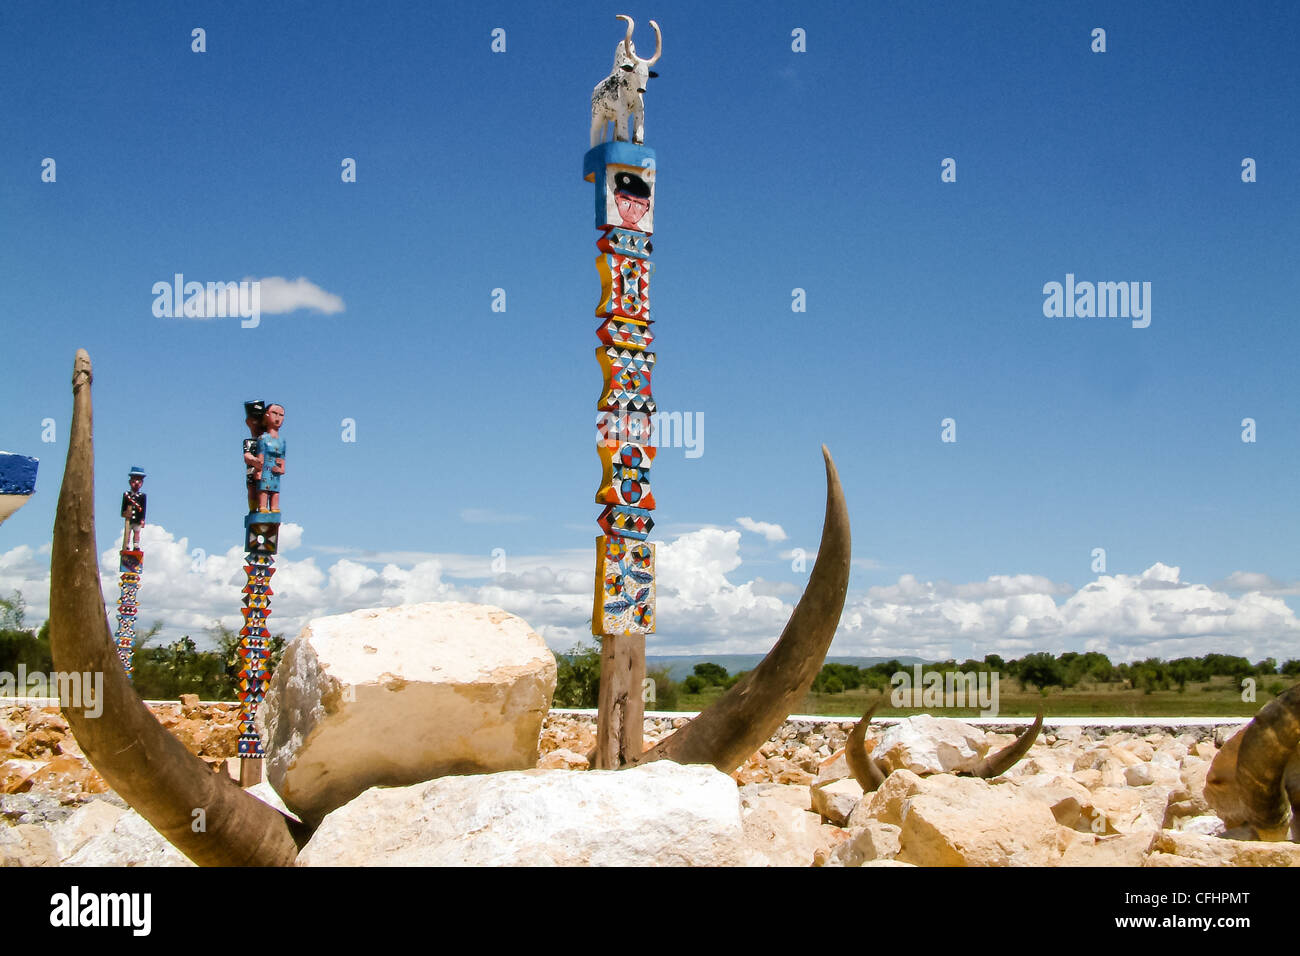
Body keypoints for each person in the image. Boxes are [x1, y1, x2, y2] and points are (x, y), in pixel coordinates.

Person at [256, 403, 286, 513]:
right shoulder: (263, 438)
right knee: (264, 488)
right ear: (267, 415)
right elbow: (260, 455)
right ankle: (262, 506)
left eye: (281, 415)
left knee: (275, 490)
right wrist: (258, 470)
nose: (278, 417)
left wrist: (281, 469)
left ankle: (274, 507)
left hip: (275, 470)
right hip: (265, 468)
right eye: (274, 413)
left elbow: (282, 457)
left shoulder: (282, 441)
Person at [242, 400, 266, 512]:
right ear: (249, 422)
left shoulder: (268, 442)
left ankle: (263, 507)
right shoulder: (249, 442)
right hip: (252, 471)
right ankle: (253, 509)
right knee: (252, 489)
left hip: (266, 471)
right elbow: (247, 456)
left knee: (265, 489)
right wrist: (254, 460)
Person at [120, 466, 147, 550]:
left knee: (137, 532)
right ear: (130, 482)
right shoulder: (126, 495)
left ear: (141, 483)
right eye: (134, 480)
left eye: (139, 480)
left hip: (138, 519)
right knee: (128, 532)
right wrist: (124, 513)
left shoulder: (142, 496)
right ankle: (126, 544)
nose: (136, 482)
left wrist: (142, 519)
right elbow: (123, 507)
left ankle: (136, 545)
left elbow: (143, 509)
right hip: (129, 520)